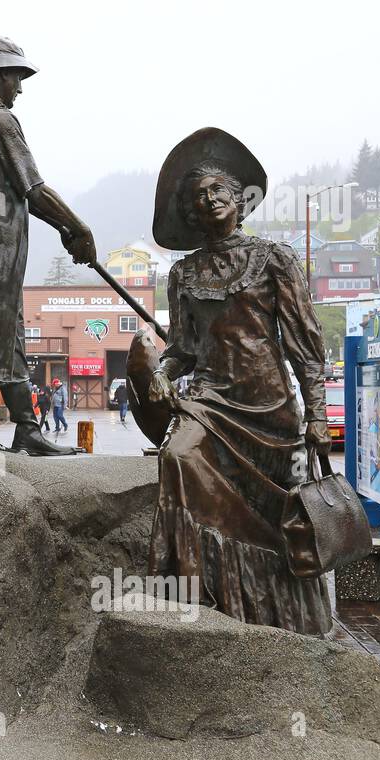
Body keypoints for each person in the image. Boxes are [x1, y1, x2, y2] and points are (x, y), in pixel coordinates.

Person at [146, 127, 332, 636]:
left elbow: (305, 344)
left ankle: (283, 615)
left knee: (277, 516)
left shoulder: (274, 259)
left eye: (218, 193)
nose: (208, 201)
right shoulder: (183, 275)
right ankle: (199, 591)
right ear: (189, 212)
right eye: (198, 197)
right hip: (210, 400)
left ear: (240, 202)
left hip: (270, 407)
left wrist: (317, 415)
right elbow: (182, 350)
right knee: (178, 457)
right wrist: (161, 374)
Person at [0, 37, 95, 456]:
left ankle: (26, 428)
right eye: (16, 76)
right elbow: (33, 188)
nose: (21, 87)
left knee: (8, 337)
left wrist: (63, 229)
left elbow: (17, 193)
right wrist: (78, 227)